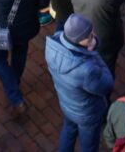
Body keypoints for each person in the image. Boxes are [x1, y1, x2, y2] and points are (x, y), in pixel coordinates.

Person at [47, 12, 114, 152]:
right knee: (89, 147)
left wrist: (90, 47)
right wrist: (94, 54)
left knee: (69, 129)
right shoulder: (86, 70)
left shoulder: (53, 45)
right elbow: (107, 84)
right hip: (87, 114)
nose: (93, 36)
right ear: (78, 40)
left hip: (66, 104)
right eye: (89, 36)